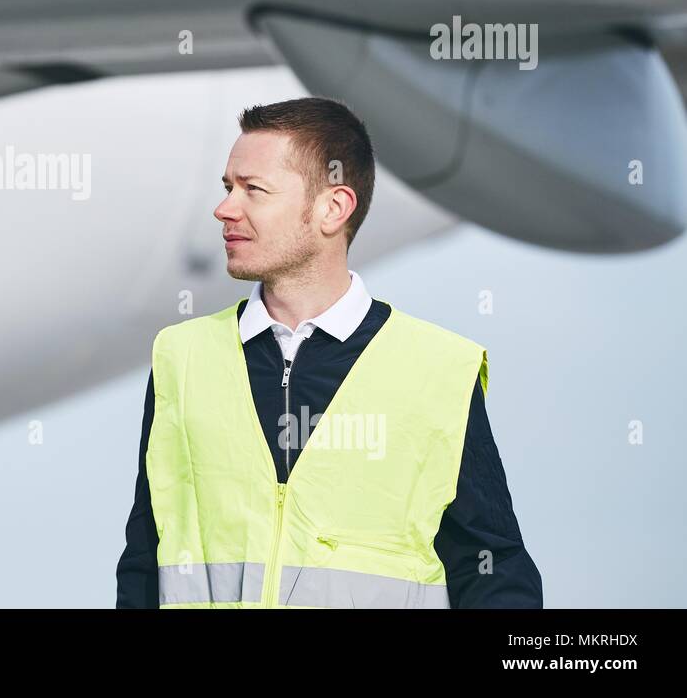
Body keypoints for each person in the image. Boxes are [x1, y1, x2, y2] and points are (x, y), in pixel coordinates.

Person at [115, 97, 542, 608]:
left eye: (254, 190)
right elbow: (144, 558)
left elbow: (493, 571)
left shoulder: (439, 371)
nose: (225, 208)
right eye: (228, 187)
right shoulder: (181, 358)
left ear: (333, 208)